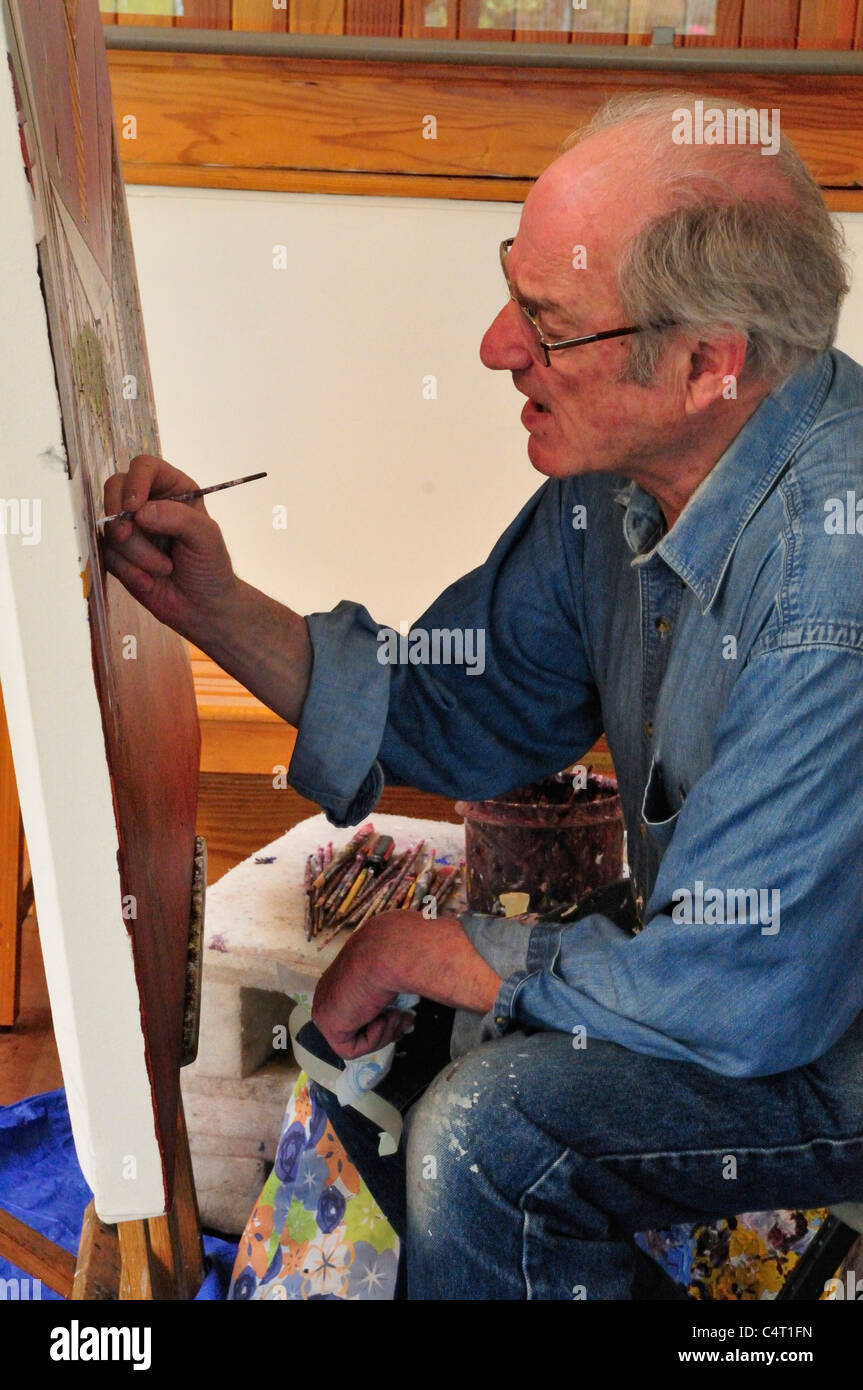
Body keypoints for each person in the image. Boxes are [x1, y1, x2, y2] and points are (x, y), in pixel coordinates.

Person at [103, 92, 863, 1300]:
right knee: (411, 1054)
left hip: (823, 1042)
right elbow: (464, 706)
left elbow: (737, 991)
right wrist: (216, 607)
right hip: (750, 988)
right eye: (511, 284)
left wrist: (434, 945)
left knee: (491, 1137)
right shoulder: (617, 485)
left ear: (704, 364)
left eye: (547, 323)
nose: (495, 346)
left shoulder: (835, 569)